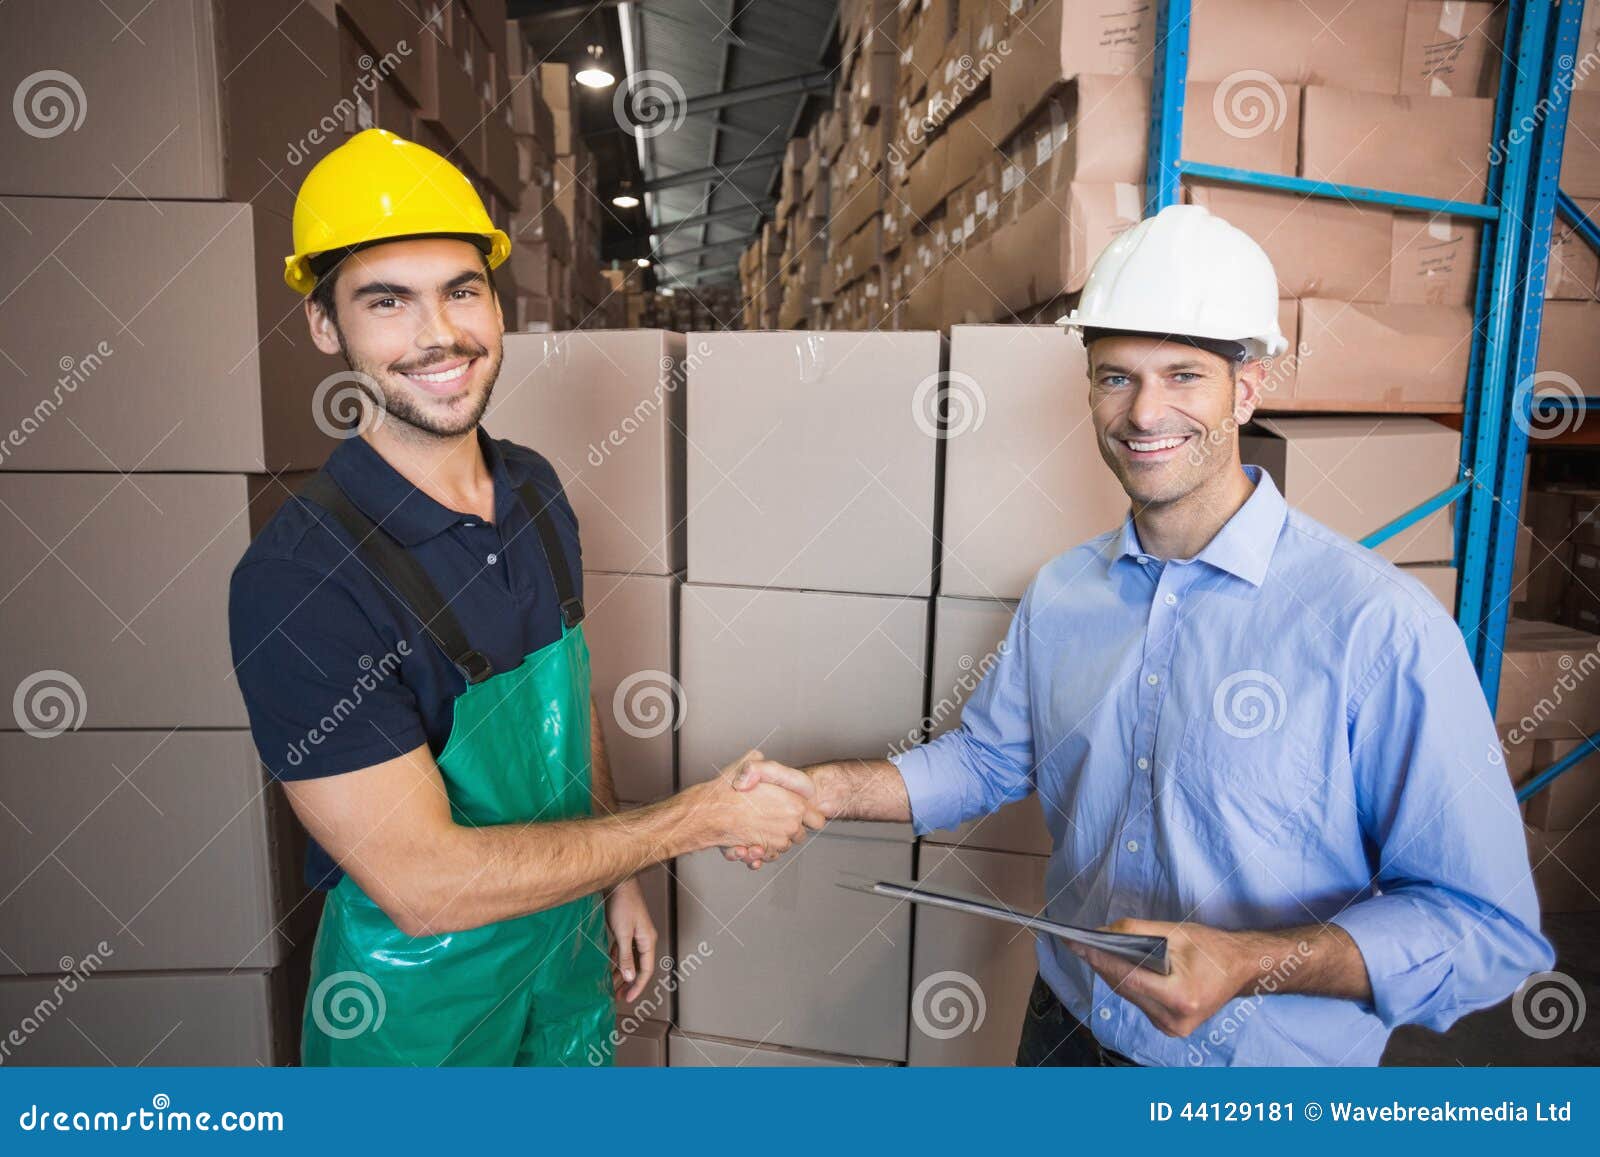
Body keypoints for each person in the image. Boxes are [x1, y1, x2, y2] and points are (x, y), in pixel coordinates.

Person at [728, 203, 1555, 1066]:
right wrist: (821, 791)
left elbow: (1483, 927)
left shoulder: (1377, 626)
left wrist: (1250, 962)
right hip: (1067, 1030)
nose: (1143, 411)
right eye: (1116, 376)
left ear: (1248, 385)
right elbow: (985, 759)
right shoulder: (1063, 593)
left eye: (1183, 375)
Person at [229, 129, 819, 1067]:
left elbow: (568, 699)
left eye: (462, 291)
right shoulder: (301, 580)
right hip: (421, 1014)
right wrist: (695, 820)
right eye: (388, 302)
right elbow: (424, 885)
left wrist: (616, 881)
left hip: (561, 956)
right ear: (324, 324)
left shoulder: (535, 488)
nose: (440, 335)